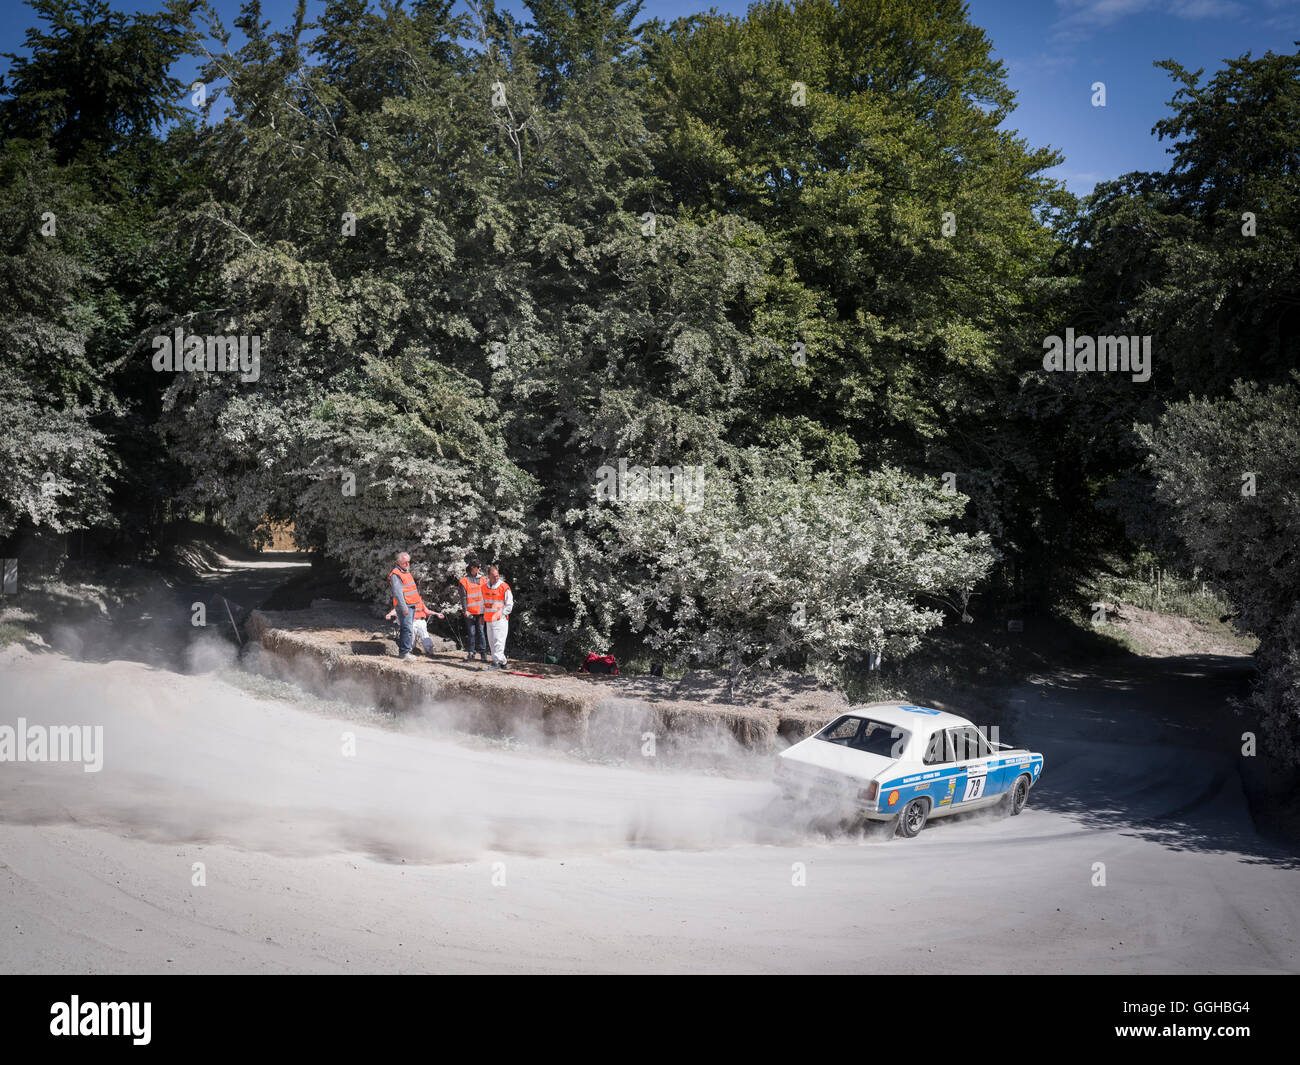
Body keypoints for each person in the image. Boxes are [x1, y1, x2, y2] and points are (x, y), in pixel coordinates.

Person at [387, 552, 444, 660]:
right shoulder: (396, 574)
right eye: (405, 562)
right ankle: (404, 652)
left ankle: (405, 652)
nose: (408, 564)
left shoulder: (406, 572)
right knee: (407, 629)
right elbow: (398, 594)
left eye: (409, 561)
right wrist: (404, 608)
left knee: (408, 629)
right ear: (398, 562)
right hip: (406, 606)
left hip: (411, 605)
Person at [482, 564, 513, 670]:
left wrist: (502, 614)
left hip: (500, 620)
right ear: (488, 576)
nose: (496, 577)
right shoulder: (484, 587)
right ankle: (503, 662)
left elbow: (509, 604)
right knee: (491, 642)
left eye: (497, 575)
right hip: (489, 619)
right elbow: (483, 603)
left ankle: (496, 663)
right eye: (494, 576)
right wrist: (483, 616)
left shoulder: (504, 587)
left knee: (498, 642)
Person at [458, 558, 488, 663]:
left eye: (480, 567)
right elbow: (463, 597)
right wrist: (465, 610)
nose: (480, 569)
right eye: (478, 567)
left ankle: (483, 654)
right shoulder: (464, 581)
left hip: (481, 612)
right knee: (471, 633)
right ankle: (471, 653)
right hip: (469, 612)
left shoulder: (483, 579)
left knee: (481, 632)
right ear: (472, 568)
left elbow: (487, 594)